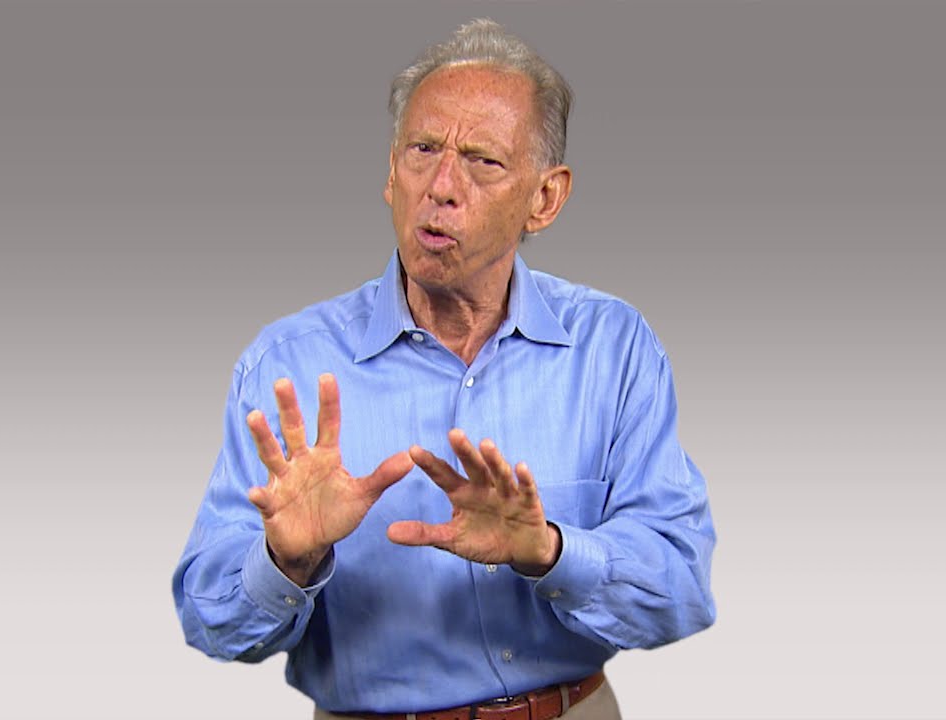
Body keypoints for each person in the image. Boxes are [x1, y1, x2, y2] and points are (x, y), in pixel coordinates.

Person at [173, 19, 716, 720]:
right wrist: (287, 560)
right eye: (423, 150)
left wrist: (549, 552)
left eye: (483, 160)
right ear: (389, 173)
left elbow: (680, 592)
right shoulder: (288, 365)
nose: (441, 186)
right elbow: (211, 624)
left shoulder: (613, 348)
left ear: (545, 199)